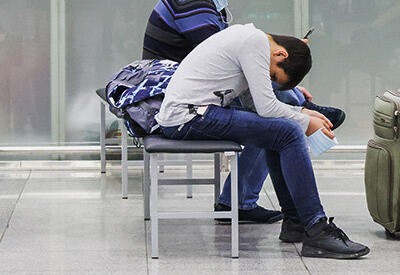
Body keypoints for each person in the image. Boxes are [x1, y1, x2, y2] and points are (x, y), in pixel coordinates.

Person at [142, 0, 344, 223]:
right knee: (276, 115)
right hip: (174, 92)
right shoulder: (192, 3)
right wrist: (297, 110)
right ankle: (249, 203)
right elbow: (225, 64)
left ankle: (268, 207)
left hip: (191, 92)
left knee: (276, 110)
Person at [156, 23, 369, 259]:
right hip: (189, 117)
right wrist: (304, 122)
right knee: (288, 133)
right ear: (281, 54)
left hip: (192, 115)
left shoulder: (249, 38)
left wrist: (302, 113)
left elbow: (254, 104)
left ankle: (296, 223)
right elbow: (266, 107)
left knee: (282, 132)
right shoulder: (254, 42)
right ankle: (315, 228)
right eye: (273, 76)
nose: (269, 79)